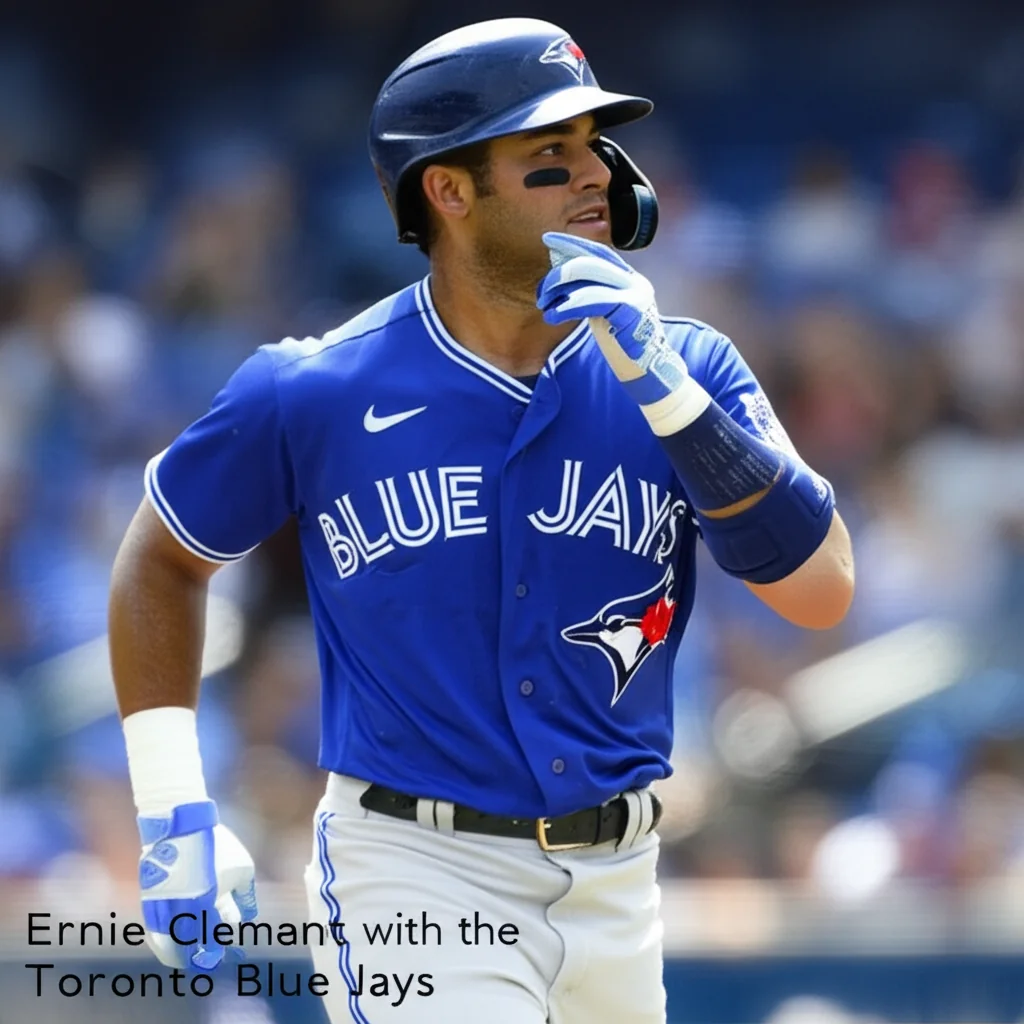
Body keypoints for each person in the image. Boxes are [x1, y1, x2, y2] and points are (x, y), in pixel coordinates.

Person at [109, 17, 854, 1023]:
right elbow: (161, 559)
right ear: (449, 192)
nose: (593, 174)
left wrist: (675, 402)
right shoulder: (315, 387)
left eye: (594, 144)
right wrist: (170, 803)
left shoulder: (686, 368)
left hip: (622, 886)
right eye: (550, 153)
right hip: (415, 872)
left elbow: (821, 590)